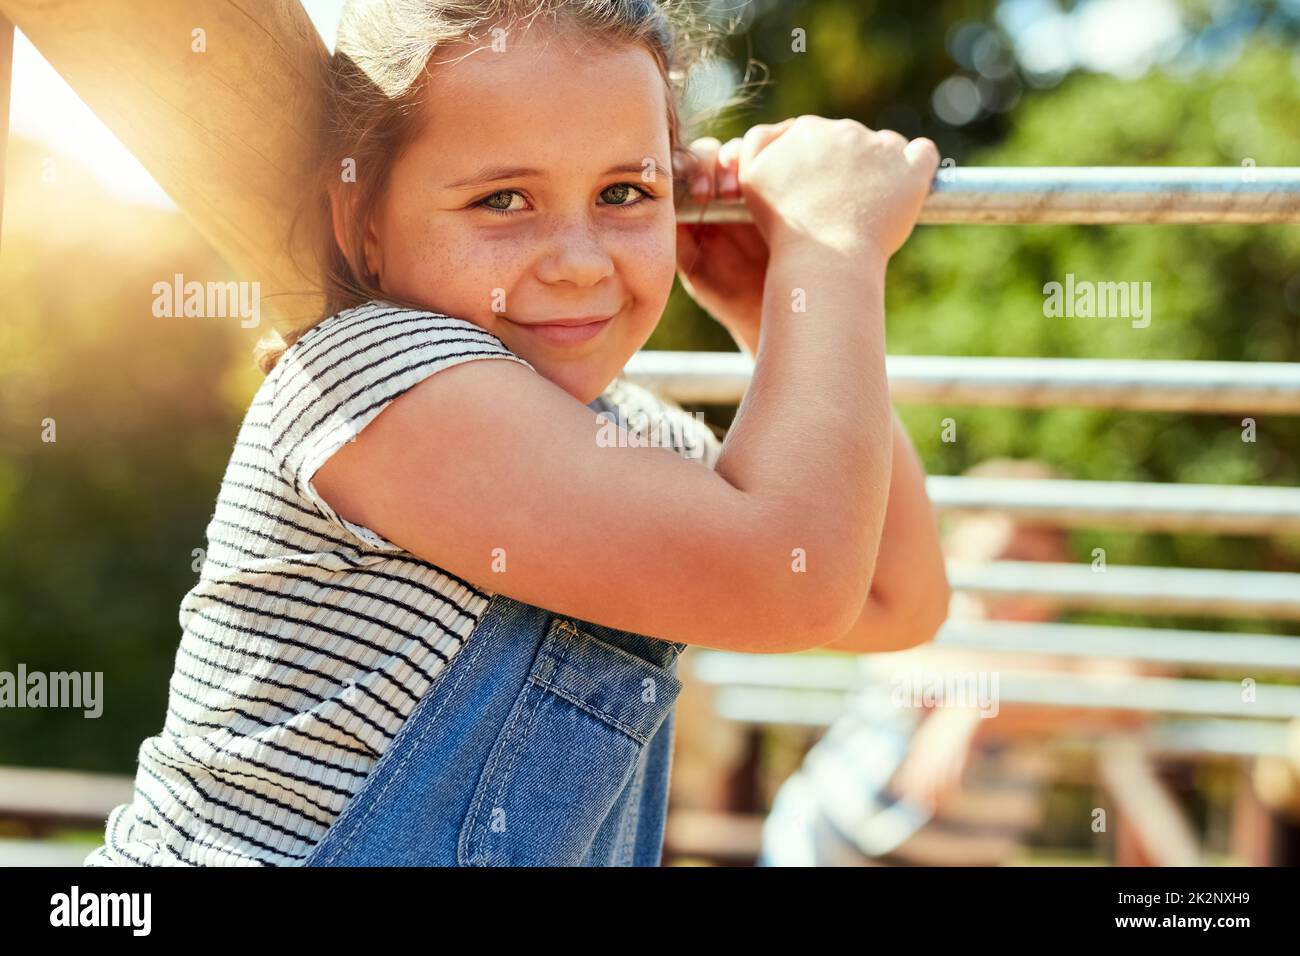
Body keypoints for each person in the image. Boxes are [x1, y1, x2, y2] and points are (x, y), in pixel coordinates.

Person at [85, 0, 946, 867]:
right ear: (364, 224)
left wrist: (775, 312)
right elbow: (794, 579)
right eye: (503, 199)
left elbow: (889, 595)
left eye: (625, 192)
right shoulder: (374, 375)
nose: (578, 258)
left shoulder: (619, 435)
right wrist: (832, 247)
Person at [760, 458, 1147, 866]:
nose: (1014, 585)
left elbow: (1130, 688)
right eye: (1002, 560)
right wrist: (988, 699)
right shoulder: (928, 624)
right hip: (828, 848)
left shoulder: (1055, 652)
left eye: (1035, 565)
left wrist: (974, 707)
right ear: (950, 557)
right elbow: (910, 670)